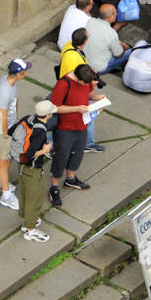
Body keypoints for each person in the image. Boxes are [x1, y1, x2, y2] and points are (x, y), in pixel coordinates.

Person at [48, 64, 100, 206]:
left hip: (82, 125)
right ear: (77, 78)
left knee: (77, 154)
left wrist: (97, 98)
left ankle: (70, 179)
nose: (85, 85)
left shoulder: (86, 79)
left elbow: (89, 93)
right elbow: (55, 107)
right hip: (65, 128)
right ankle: (54, 187)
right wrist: (77, 109)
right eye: (83, 83)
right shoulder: (63, 84)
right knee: (61, 157)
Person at [0, 58, 32, 211]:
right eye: (24, 71)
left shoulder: (9, 81)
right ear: (18, 74)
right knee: (5, 162)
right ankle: (6, 195)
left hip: (7, 125)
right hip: (3, 129)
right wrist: (7, 133)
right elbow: (2, 114)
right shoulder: (5, 91)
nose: (26, 72)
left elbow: (14, 102)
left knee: (0, 154)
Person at [16, 99, 56, 242]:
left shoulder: (28, 119)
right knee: (34, 198)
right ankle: (30, 230)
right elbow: (29, 154)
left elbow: (10, 131)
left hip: (22, 167)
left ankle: (27, 221)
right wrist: (44, 150)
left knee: (24, 195)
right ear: (48, 115)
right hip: (32, 170)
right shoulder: (40, 132)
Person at [85, 3, 132, 74]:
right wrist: (124, 46)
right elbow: (118, 55)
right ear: (110, 17)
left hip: (85, 61)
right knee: (131, 51)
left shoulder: (91, 21)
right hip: (98, 69)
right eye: (115, 12)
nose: (117, 13)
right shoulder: (112, 33)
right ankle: (118, 67)